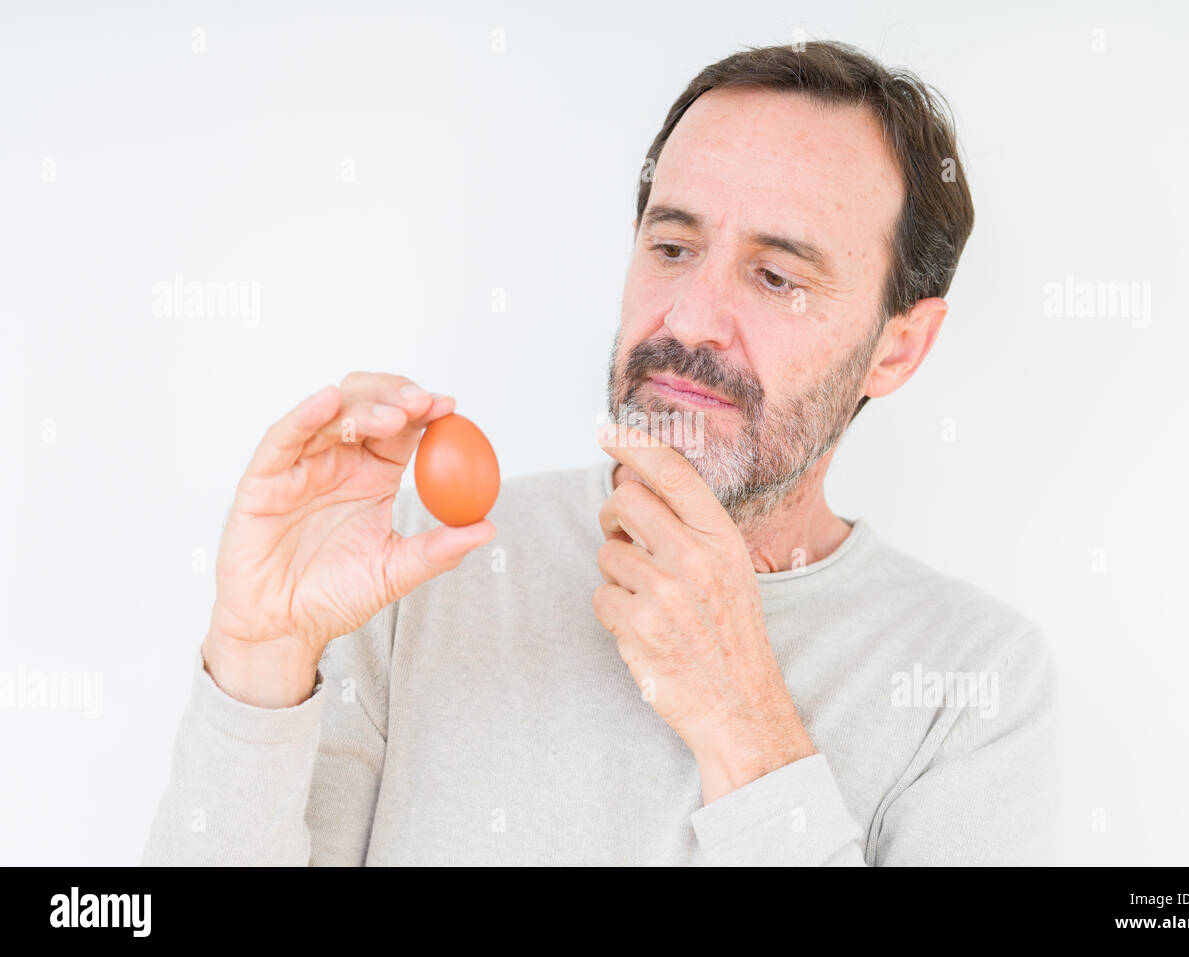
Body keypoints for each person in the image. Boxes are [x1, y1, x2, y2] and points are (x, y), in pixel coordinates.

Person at [142, 39, 1058, 866]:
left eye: (777, 275)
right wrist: (258, 661)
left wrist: (740, 718)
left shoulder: (973, 681)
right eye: (672, 244)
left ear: (899, 347)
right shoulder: (422, 564)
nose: (690, 317)